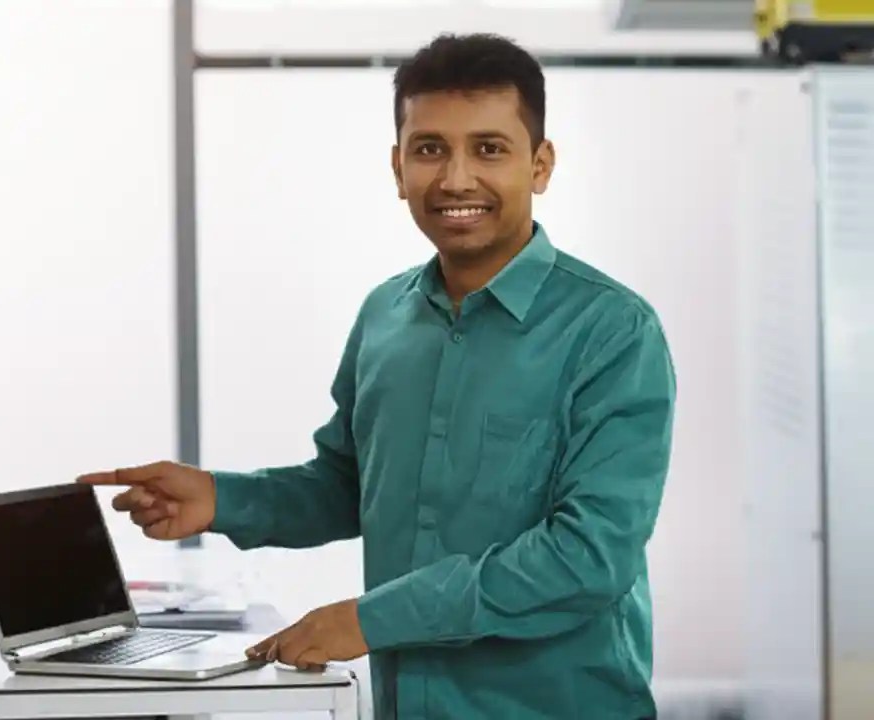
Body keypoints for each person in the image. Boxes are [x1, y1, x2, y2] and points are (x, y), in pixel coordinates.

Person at [79, 32, 676, 720]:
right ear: (398, 168)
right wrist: (218, 500)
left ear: (539, 165)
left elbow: (587, 559)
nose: (455, 179)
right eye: (429, 150)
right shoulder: (385, 317)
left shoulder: (613, 332)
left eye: (489, 149)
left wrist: (370, 619)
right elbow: (352, 487)